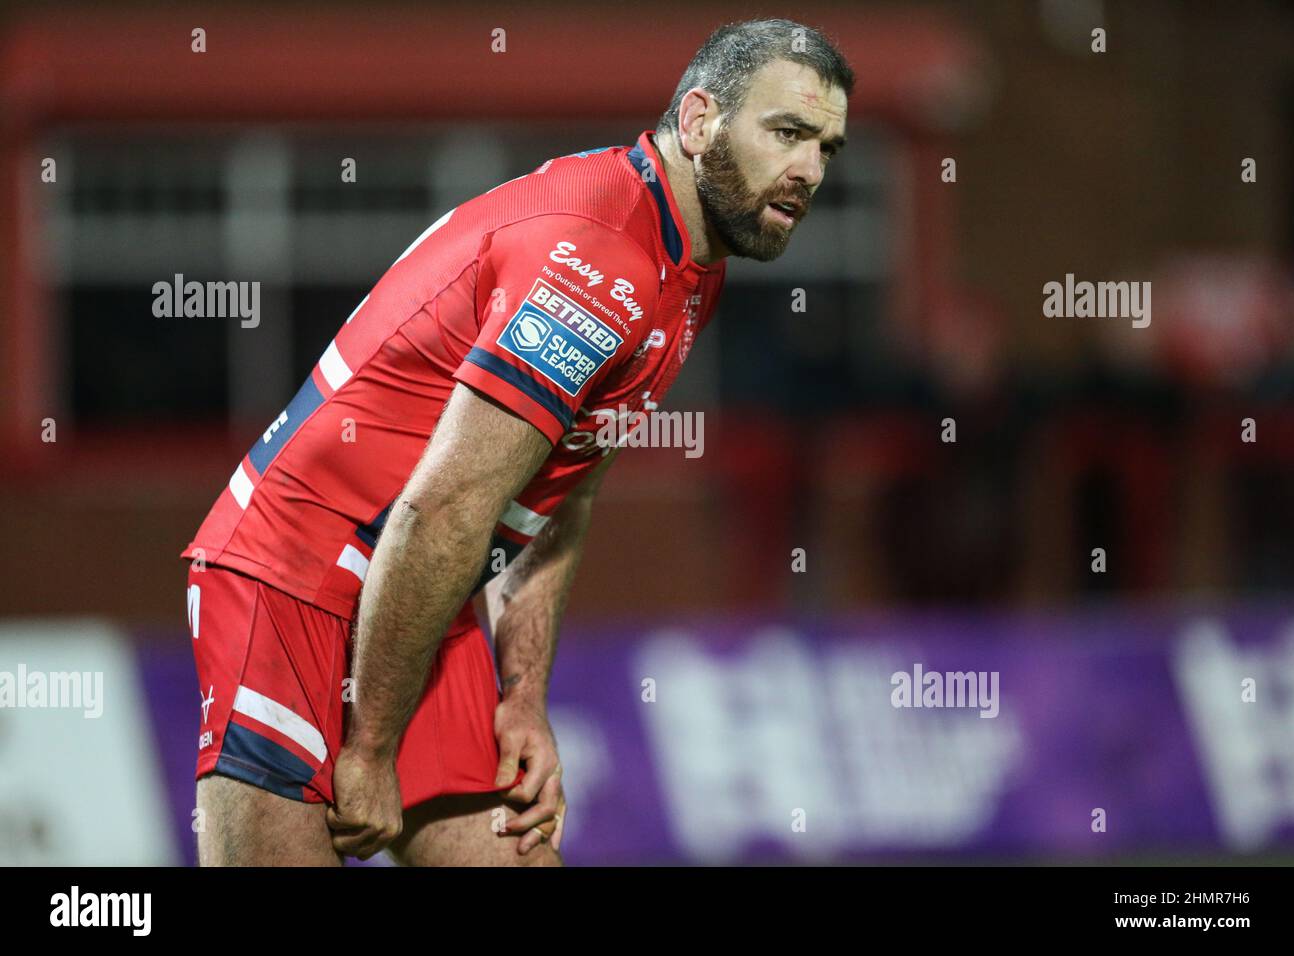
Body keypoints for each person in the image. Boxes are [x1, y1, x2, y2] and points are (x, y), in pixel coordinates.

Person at [181, 17, 852, 866]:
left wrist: (523, 700)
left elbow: (566, 490)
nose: (809, 170)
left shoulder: (687, 265)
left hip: (421, 593)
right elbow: (445, 504)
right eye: (787, 133)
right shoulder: (601, 255)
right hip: (295, 575)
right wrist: (372, 748)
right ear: (696, 122)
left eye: (826, 147)